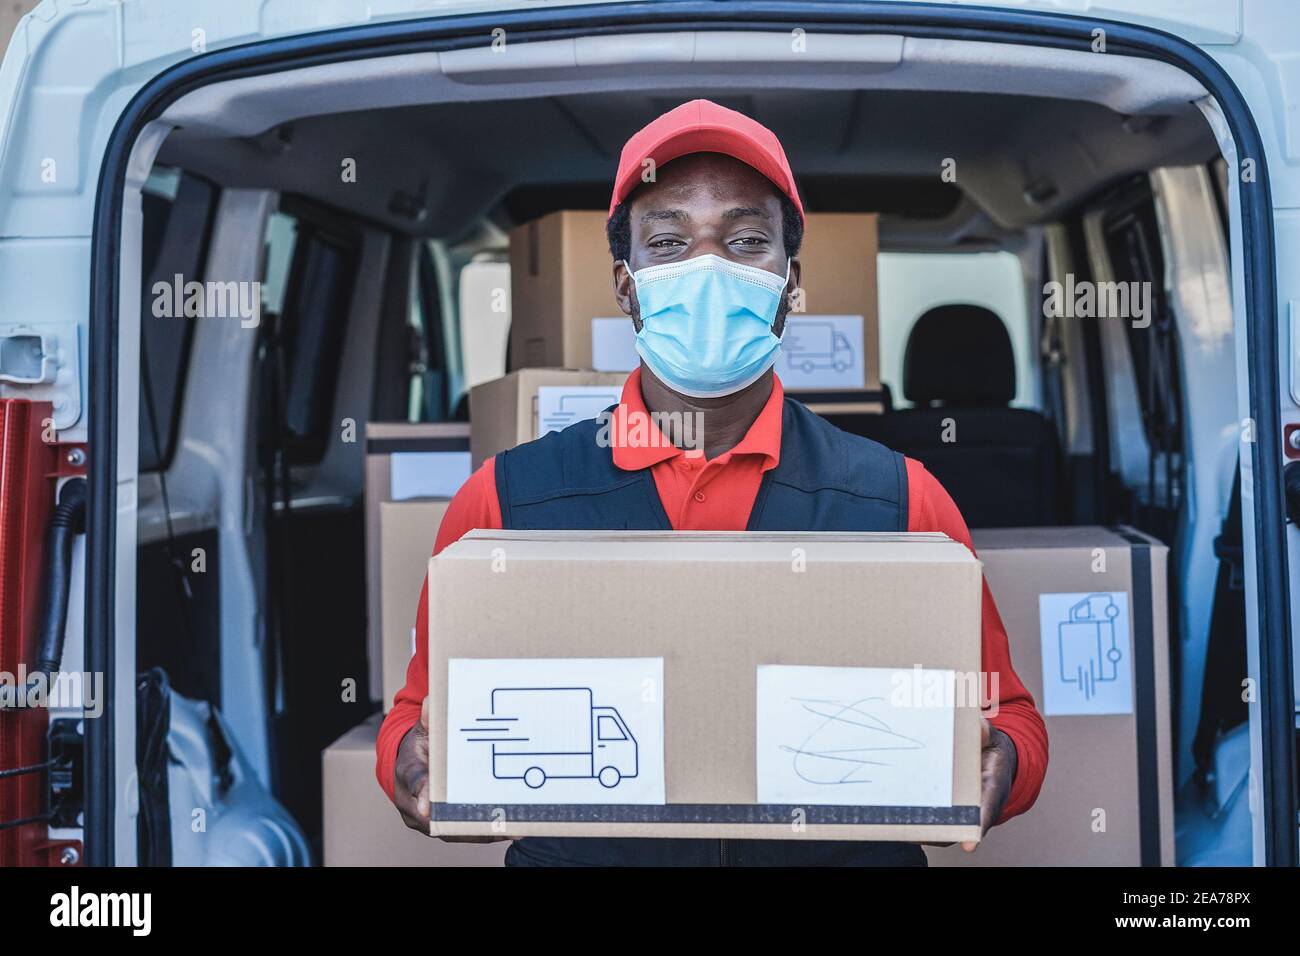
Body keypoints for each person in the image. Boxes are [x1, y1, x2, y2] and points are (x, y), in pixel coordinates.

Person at [377, 99, 1047, 866]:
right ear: (626, 286)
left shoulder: (903, 500)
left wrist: (1003, 766)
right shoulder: (500, 504)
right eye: (667, 241)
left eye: (746, 241)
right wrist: (412, 762)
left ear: (790, 284)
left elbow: (1010, 716)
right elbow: (418, 714)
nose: (706, 268)